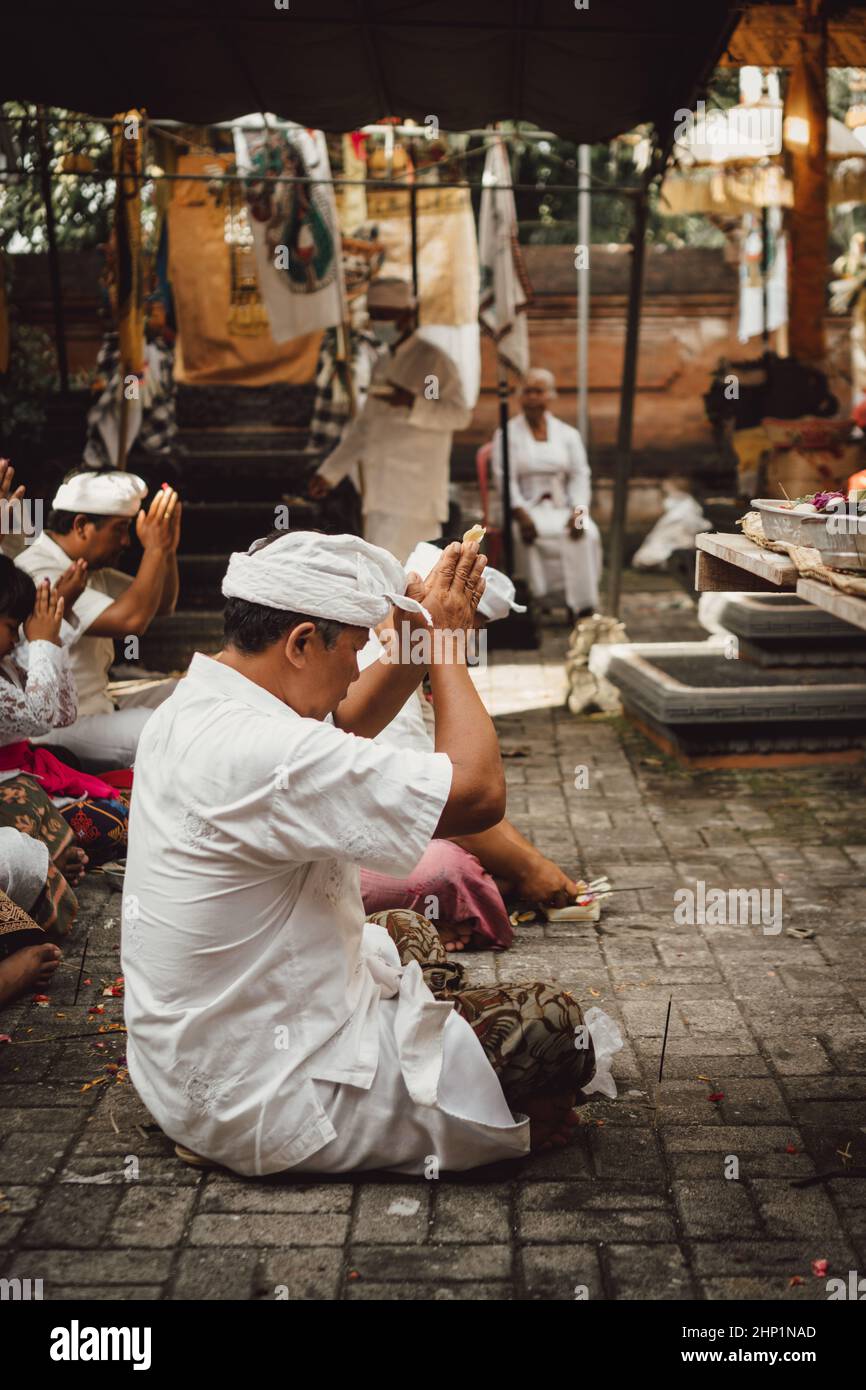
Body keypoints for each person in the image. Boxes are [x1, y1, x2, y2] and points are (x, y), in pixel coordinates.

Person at [122, 531, 604, 1177]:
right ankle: (485, 1117)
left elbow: (345, 722)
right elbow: (479, 794)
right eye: (353, 647)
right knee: (553, 1026)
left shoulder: (204, 703)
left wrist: (415, 633)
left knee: (403, 930)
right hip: (267, 1093)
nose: (357, 669)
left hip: (189, 1068)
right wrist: (445, 649)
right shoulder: (264, 750)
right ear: (300, 642)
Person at [358, 541, 587, 951]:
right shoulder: (378, 661)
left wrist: (532, 862)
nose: (468, 639)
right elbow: (447, 801)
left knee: (483, 865)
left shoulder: (411, 660)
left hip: (374, 823)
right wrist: (529, 867)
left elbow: (466, 799)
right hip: (347, 846)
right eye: (462, 624)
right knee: (454, 868)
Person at [16, 468, 181, 770]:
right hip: (60, 727)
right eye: (119, 529)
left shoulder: (90, 569)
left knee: (188, 690)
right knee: (167, 730)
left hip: (100, 706)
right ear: (81, 526)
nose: (126, 542)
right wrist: (154, 549)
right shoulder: (40, 569)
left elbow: (162, 604)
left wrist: (166, 550)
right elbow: (133, 621)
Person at [309, 278, 472, 558]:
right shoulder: (383, 361)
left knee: (412, 579)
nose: (379, 324)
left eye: (386, 316)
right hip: (378, 492)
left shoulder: (433, 360)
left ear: (407, 316)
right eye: (375, 317)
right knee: (381, 574)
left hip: (415, 494)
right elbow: (363, 429)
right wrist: (330, 473)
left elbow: (458, 415)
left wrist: (412, 402)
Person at [0, 557, 130, 865]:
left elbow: (63, 713)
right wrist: (43, 642)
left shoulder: (6, 665)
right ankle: (54, 855)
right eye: (10, 627)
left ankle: (60, 850)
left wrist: (53, 637)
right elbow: (40, 717)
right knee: (109, 823)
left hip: (24, 777)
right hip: (8, 792)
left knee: (115, 809)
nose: (17, 639)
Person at [492, 367, 602, 620]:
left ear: (551, 396)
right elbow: (504, 478)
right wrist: (520, 514)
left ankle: (582, 606)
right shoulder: (506, 435)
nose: (532, 397)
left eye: (538, 391)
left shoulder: (568, 434)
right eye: (527, 391)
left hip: (563, 507)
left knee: (589, 534)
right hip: (525, 509)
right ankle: (533, 603)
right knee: (525, 537)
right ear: (519, 397)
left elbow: (580, 475)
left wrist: (579, 511)